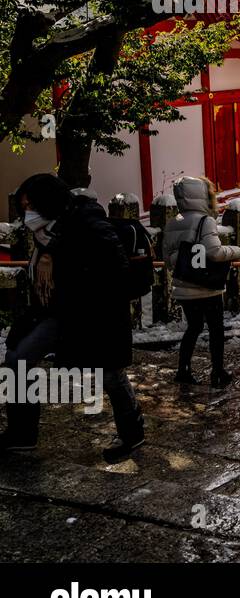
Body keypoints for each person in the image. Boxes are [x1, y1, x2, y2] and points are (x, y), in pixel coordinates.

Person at [2, 174, 145, 463]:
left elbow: (117, 274)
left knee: (111, 375)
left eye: (32, 204)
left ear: (48, 201)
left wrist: (79, 284)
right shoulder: (45, 231)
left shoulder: (89, 226)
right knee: (18, 360)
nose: (28, 211)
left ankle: (132, 433)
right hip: (54, 313)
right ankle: (21, 435)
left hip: (97, 316)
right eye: (24, 205)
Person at [163, 175, 240, 388]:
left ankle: (183, 369)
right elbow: (214, 252)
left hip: (183, 286)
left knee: (194, 327)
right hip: (206, 287)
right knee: (216, 329)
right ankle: (217, 372)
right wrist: (236, 251)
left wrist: (184, 257)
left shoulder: (173, 222)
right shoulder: (205, 220)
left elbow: (169, 259)